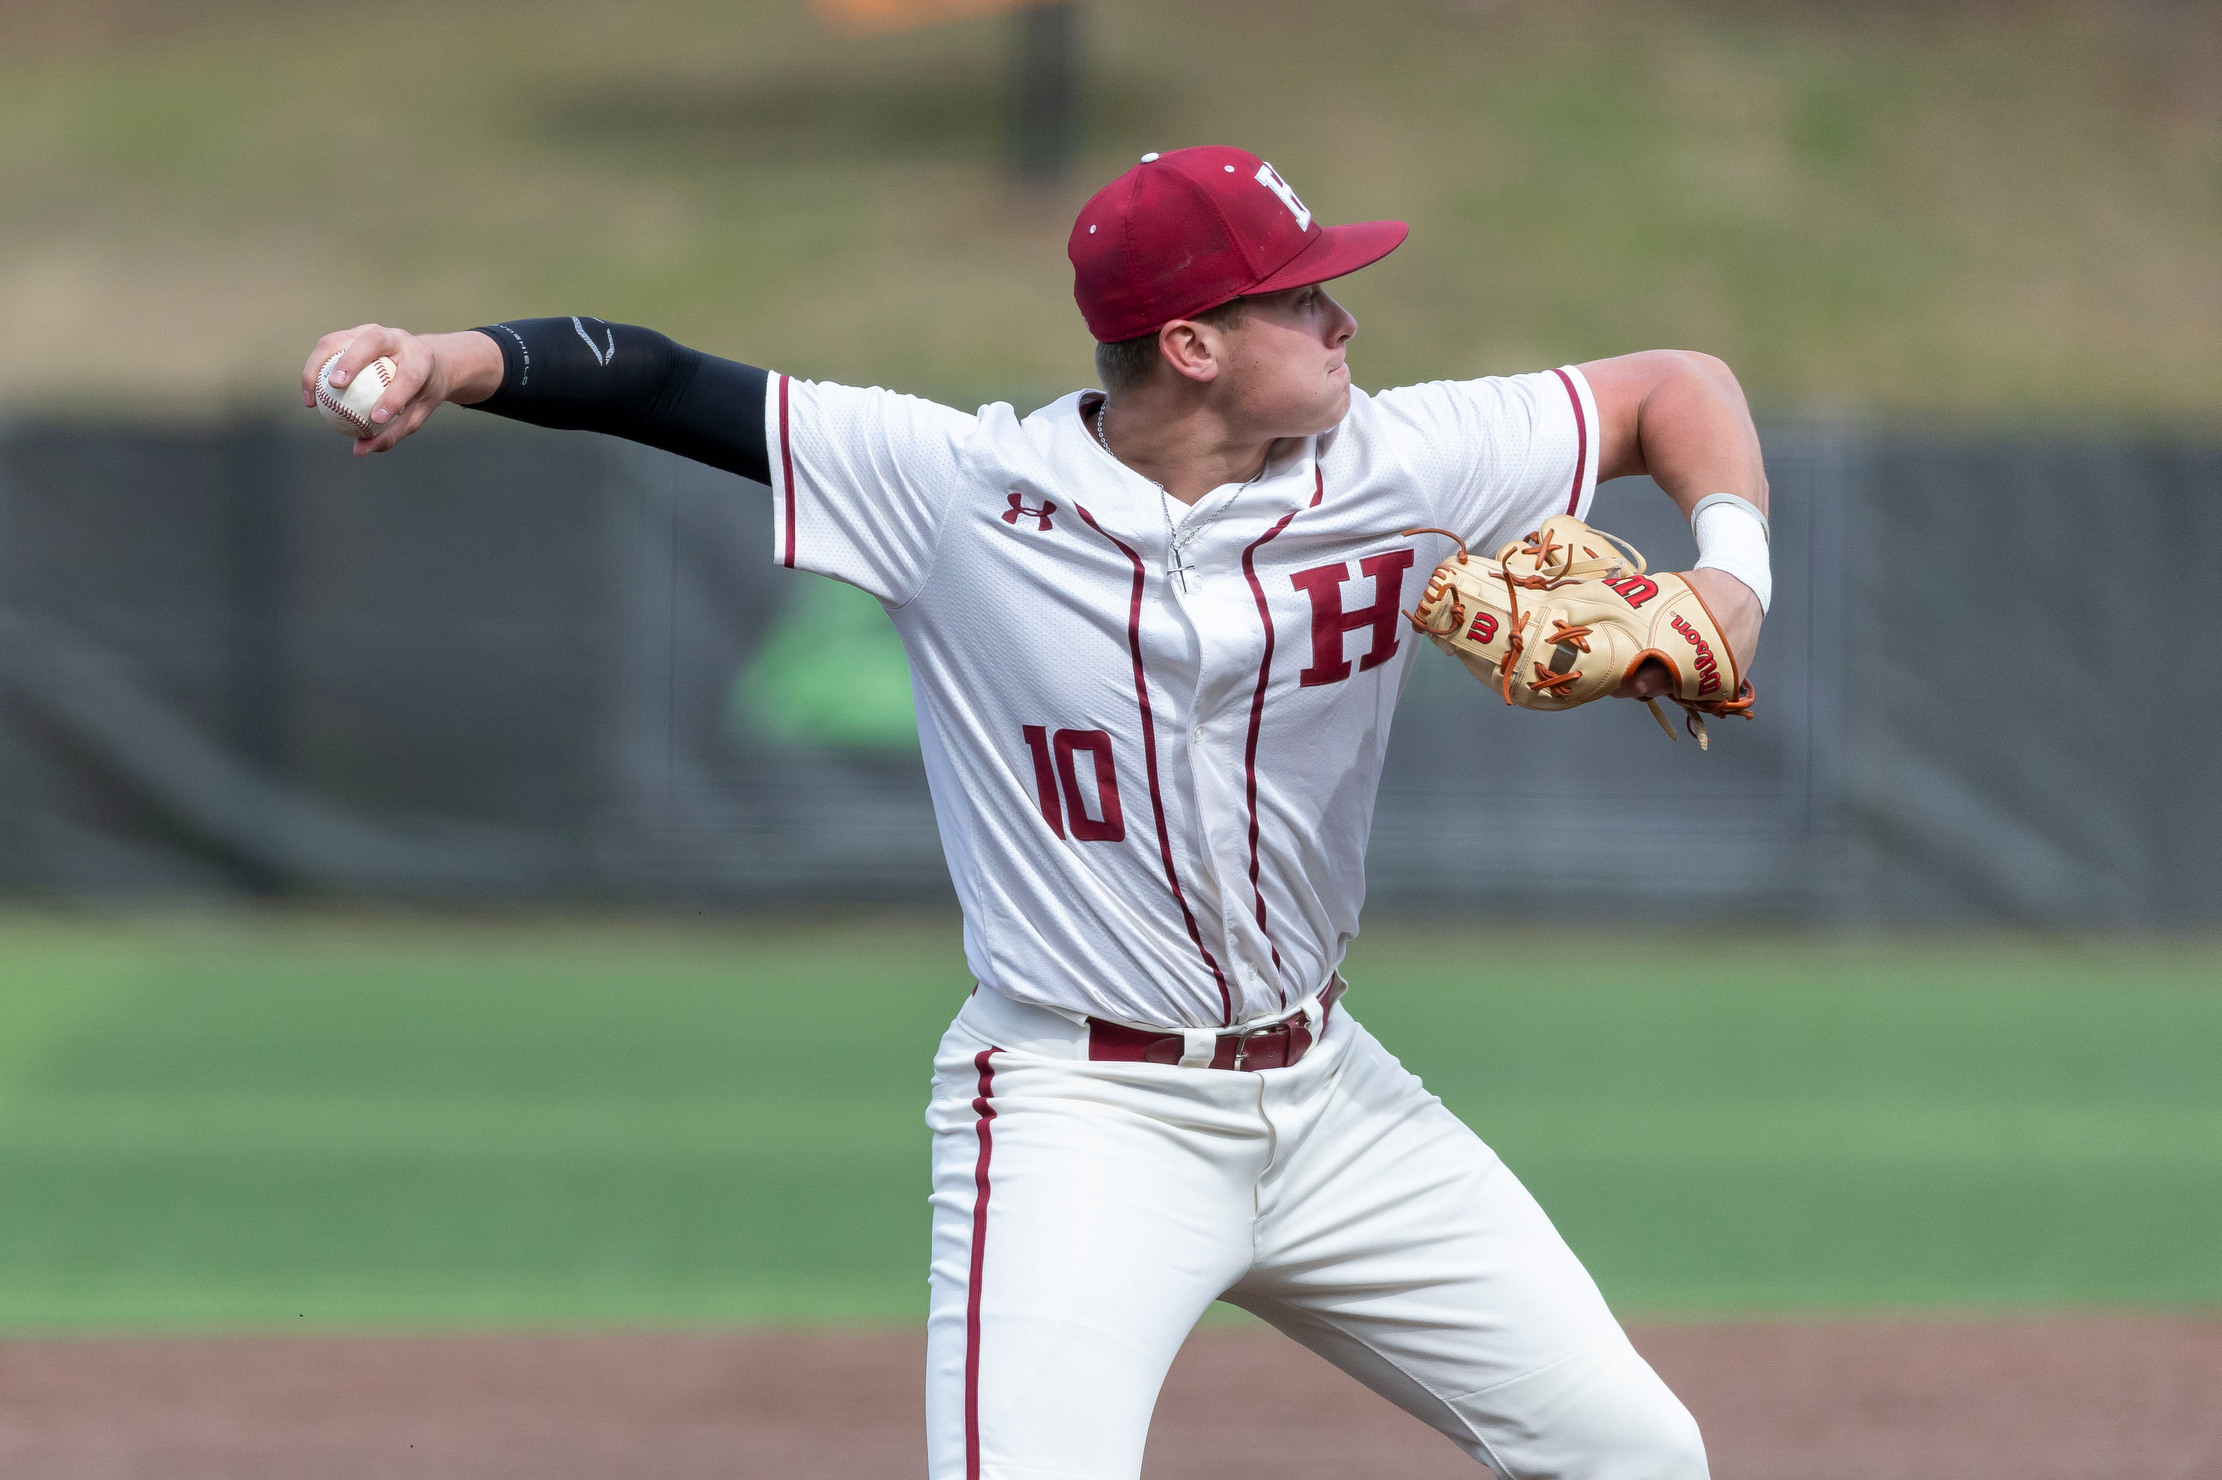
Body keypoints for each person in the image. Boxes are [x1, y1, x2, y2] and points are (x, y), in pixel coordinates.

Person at [302, 144, 1769, 1480]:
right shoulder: (956, 490)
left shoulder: (1399, 461)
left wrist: (1725, 579)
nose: (1344, 321)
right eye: (1303, 298)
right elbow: (660, 382)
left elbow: (1672, 387)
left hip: (1333, 1099)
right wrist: (446, 356)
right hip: (1085, 1107)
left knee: (1637, 1456)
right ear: (1191, 346)